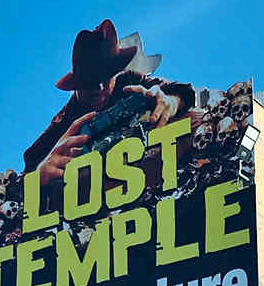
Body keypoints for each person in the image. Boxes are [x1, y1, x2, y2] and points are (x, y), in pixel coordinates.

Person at [24, 20, 195, 184]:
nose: (99, 87)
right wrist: (40, 175)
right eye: (90, 81)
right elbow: (31, 164)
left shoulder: (129, 81)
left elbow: (181, 90)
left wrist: (172, 101)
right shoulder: (64, 121)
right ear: (76, 84)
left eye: (106, 78)